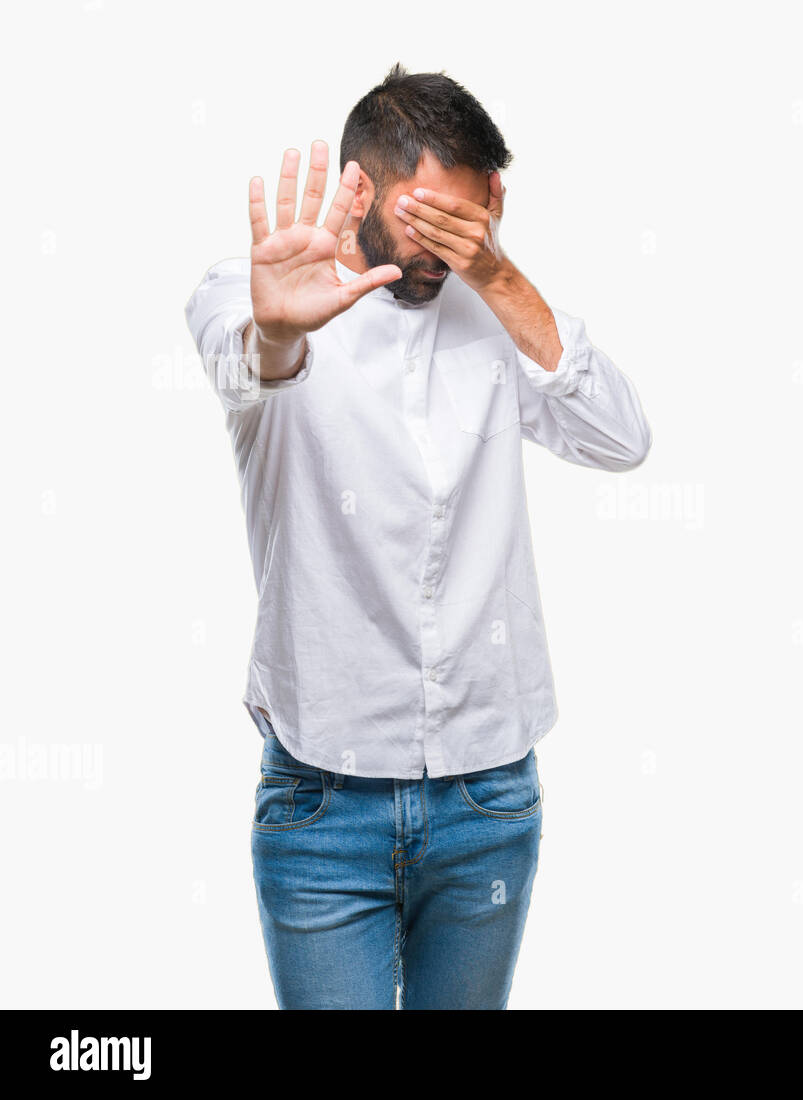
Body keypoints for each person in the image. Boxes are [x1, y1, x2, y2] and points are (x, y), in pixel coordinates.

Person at [184, 64, 651, 1009]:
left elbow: (621, 440)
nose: (444, 252)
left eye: (469, 225)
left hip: (488, 798)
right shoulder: (257, 290)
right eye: (424, 222)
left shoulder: (494, 310)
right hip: (322, 807)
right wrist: (277, 334)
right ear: (359, 187)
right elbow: (248, 363)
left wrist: (501, 274)